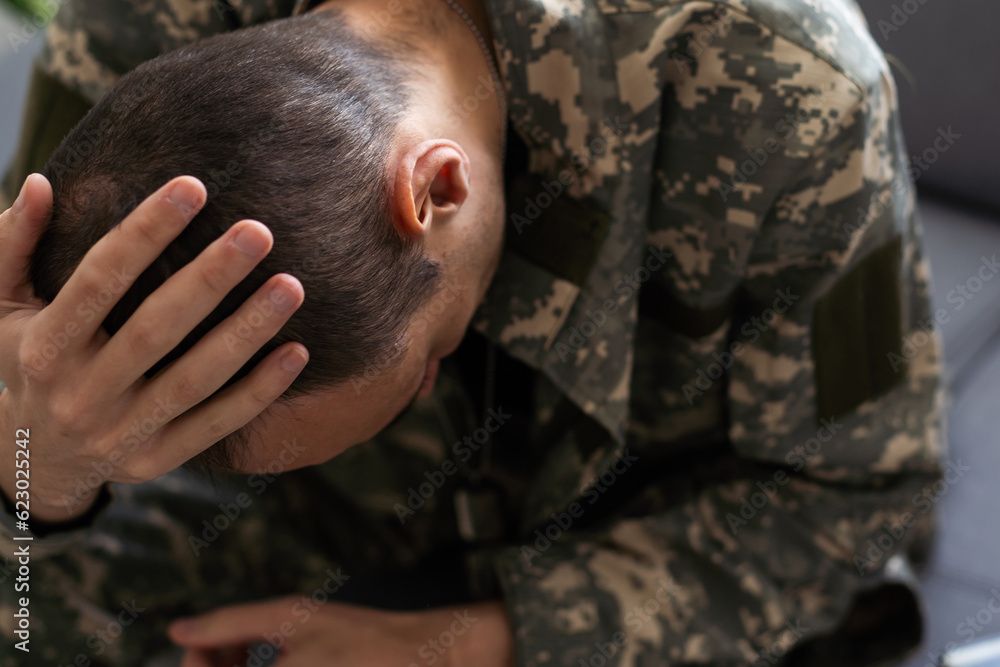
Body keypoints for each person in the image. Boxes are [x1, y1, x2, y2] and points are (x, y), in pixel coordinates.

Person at [0, 0, 945, 665]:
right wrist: (34, 464)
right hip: (325, 522)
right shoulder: (137, 27)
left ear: (437, 191)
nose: (422, 390)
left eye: (427, 360)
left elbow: (858, 494)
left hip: (654, 526)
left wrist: (472, 648)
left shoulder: (786, 87)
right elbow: (38, 498)